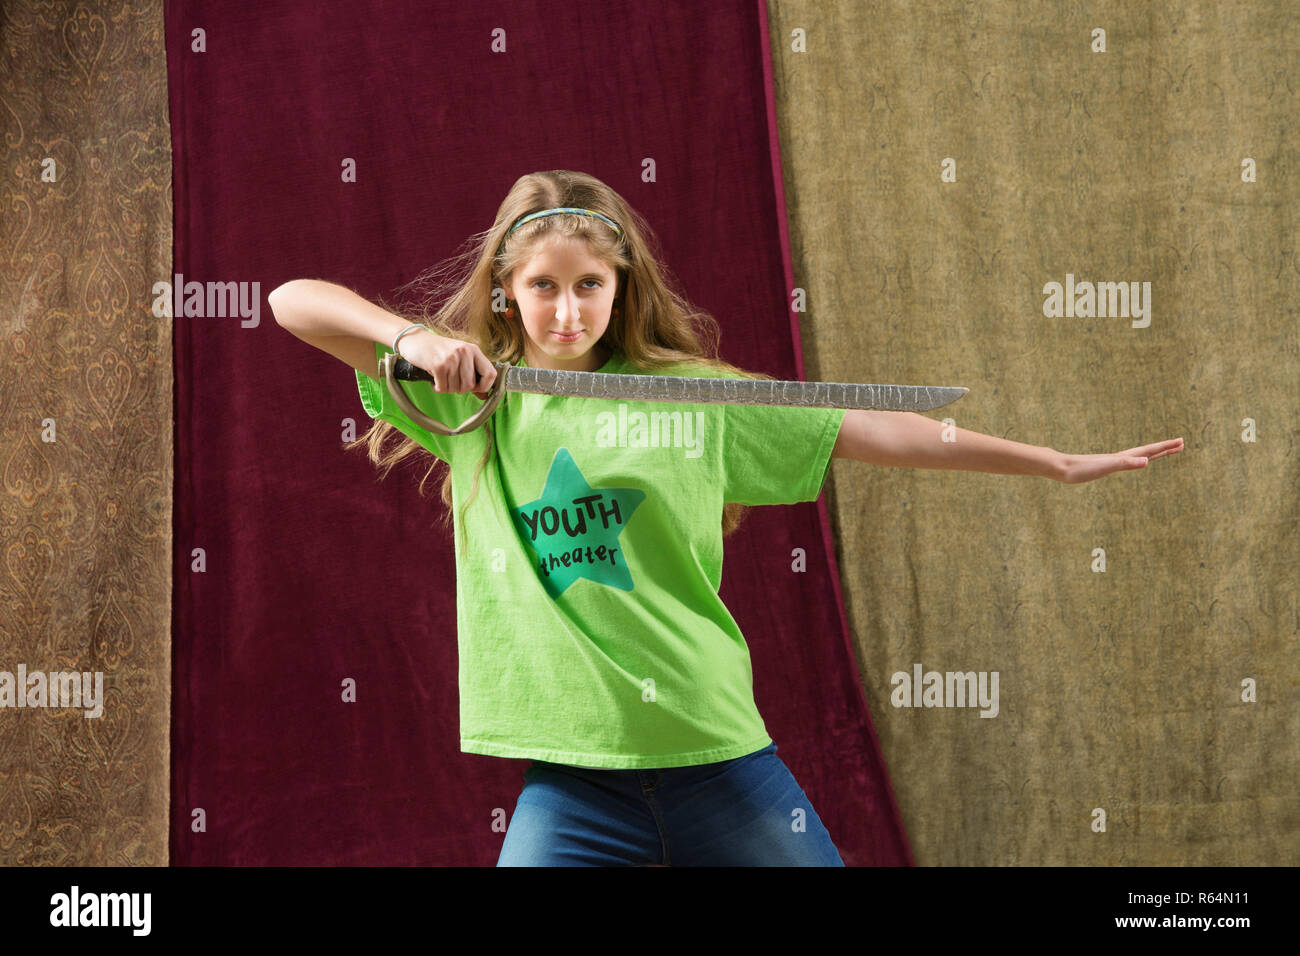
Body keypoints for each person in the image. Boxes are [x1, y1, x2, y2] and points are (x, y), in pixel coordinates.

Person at [269, 170, 1183, 867]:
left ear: (620, 288)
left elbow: (878, 429)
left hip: (716, 757)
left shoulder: (694, 398)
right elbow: (291, 302)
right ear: (506, 290)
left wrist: (1053, 463)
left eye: (590, 284)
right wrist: (415, 339)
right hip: (572, 782)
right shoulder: (473, 400)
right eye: (542, 286)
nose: (567, 308)